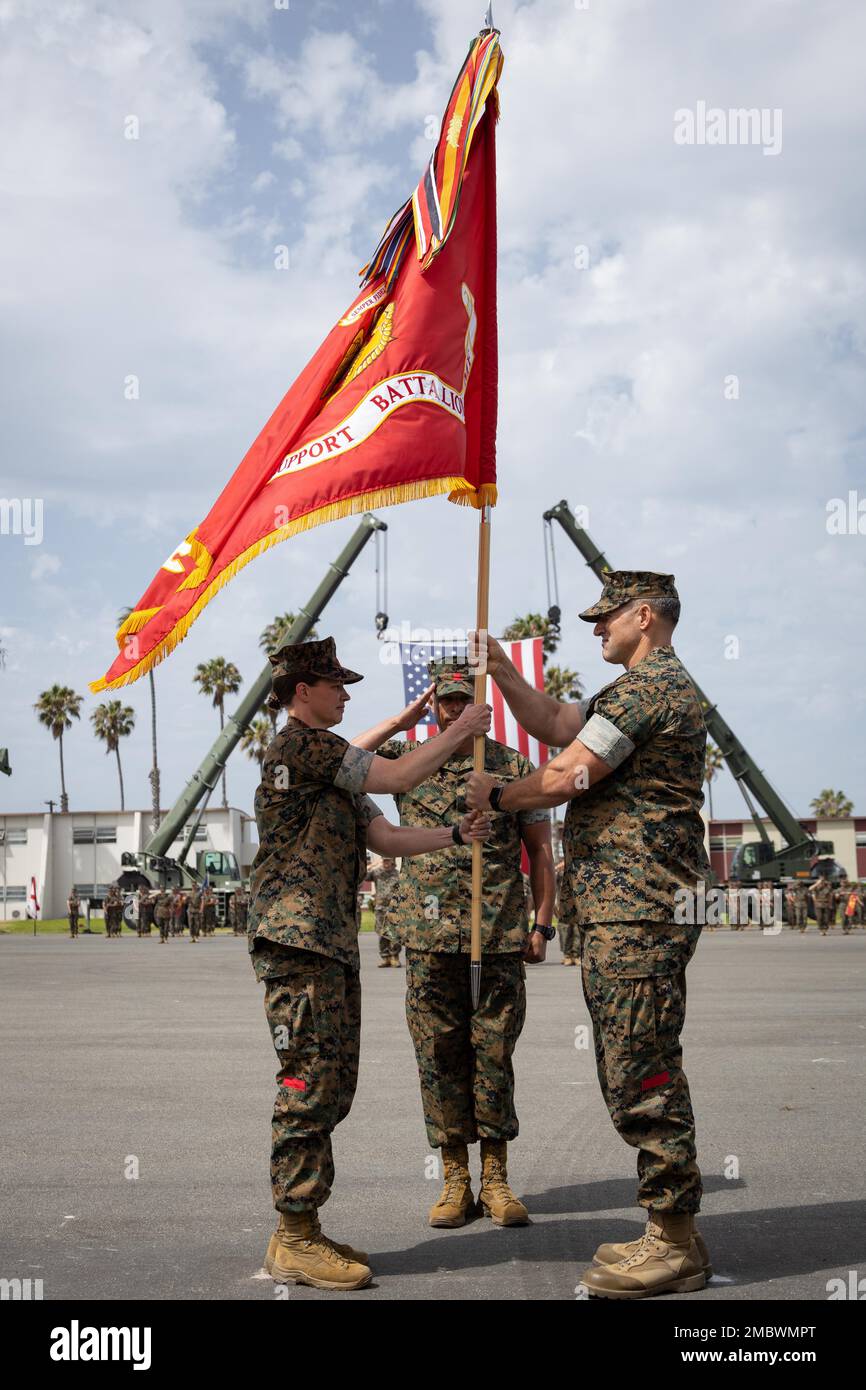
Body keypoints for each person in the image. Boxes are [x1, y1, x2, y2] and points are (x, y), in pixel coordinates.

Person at [467, 571, 711, 1299]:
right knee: (630, 1059)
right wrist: (505, 670)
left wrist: (500, 796)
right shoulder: (632, 691)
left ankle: (674, 1241)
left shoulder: (651, 687)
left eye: (606, 618)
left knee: (642, 1066)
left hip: (640, 906)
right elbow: (557, 724)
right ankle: (669, 1231)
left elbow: (571, 772)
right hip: (624, 907)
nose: (596, 629)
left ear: (645, 615)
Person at [249, 636, 492, 1291]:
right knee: (307, 1082)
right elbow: (398, 775)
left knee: (331, 1086)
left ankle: (299, 1228)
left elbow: (383, 834)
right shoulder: (300, 746)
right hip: (297, 942)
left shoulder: (330, 763)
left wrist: (454, 834)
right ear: (304, 690)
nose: (347, 694)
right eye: (337, 684)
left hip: (326, 944)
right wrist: (461, 728)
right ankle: (295, 1235)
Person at [352, 658, 555, 1227]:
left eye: (465, 700)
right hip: (427, 936)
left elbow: (541, 853)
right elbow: (346, 760)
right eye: (445, 701)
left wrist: (543, 924)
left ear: (483, 706)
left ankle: (495, 1177)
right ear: (433, 704)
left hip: (498, 935)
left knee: (494, 1054)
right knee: (438, 1056)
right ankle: (454, 1177)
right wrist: (400, 721)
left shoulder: (515, 769)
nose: (455, 710)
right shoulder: (409, 764)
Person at [368, 857, 401, 967]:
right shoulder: (376, 873)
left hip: (394, 909)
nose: (385, 862)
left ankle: (394, 957)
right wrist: (371, 865)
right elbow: (362, 876)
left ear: (392, 861)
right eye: (384, 860)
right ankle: (385, 958)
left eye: (387, 860)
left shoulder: (398, 875)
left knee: (394, 934)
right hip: (380, 909)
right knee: (382, 934)